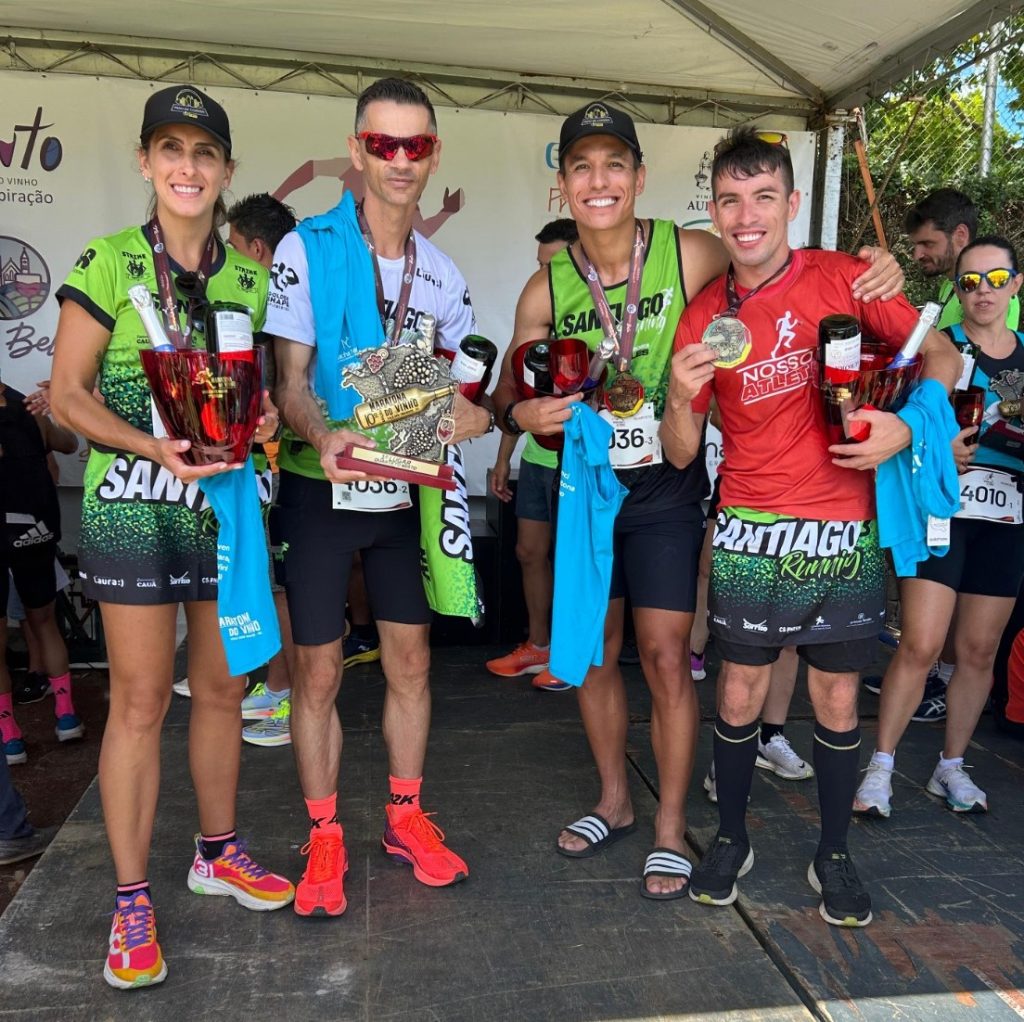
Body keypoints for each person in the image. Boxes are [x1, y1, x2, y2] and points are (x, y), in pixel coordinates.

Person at [491, 106, 902, 901]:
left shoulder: (694, 249)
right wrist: (517, 414)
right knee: (597, 653)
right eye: (583, 168)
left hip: (668, 484)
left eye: (615, 166)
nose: (600, 181)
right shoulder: (547, 284)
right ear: (563, 184)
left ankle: (673, 825)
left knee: (663, 654)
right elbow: (515, 378)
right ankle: (614, 799)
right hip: (587, 485)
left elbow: (772, 264)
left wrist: (874, 269)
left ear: (640, 179)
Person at [664, 127, 960, 926]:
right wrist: (677, 394)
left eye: (764, 197)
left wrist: (912, 425)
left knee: (834, 698)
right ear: (715, 213)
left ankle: (834, 851)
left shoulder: (847, 277)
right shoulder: (702, 317)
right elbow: (679, 449)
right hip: (750, 524)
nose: (747, 215)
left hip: (841, 526)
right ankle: (729, 836)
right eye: (731, 200)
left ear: (792, 204)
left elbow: (941, 356)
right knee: (736, 688)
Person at [50, 85, 294, 990]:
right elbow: (69, 396)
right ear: (147, 164)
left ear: (226, 171)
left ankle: (216, 853)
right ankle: (130, 900)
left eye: (204, 152)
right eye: (171, 150)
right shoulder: (109, 261)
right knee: (144, 702)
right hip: (133, 508)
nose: (187, 167)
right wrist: (149, 442)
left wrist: (263, 414)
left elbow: (255, 394)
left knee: (225, 691)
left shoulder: (248, 275)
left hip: (224, 509)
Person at [270, 77, 492, 917]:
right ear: (359, 150)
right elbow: (289, 382)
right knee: (318, 672)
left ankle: (404, 817)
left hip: (407, 502)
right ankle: (324, 832)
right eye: (384, 144)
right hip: (317, 486)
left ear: (433, 156)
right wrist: (323, 432)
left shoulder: (443, 273)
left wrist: (470, 418)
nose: (400, 161)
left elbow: (467, 394)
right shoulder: (307, 246)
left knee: (410, 661)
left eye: (417, 146)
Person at [854, 236, 1024, 818]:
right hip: (941, 515)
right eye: (971, 281)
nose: (984, 291)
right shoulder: (938, 349)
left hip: (1006, 517)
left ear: (1016, 286)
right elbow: (895, 420)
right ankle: (880, 767)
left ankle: (951, 765)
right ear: (956, 289)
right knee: (921, 645)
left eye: (997, 279)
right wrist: (935, 441)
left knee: (978, 651)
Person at [487, 219, 578, 687]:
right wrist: (504, 459)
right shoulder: (534, 318)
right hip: (538, 462)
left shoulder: (593, 323)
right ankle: (537, 647)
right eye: (539, 265)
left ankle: (569, 655)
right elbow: (513, 394)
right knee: (528, 552)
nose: (541, 276)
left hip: (580, 464)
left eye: (553, 266)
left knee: (574, 557)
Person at [224, 192, 299, 748]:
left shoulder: (279, 301)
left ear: (255, 248)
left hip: (281, 462)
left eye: (233, 248)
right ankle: (270, 682)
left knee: (280, 586)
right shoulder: (255, 302)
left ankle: (284, 692)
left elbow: (279, 394)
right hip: (258, 463)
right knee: (262, 579)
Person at [0, 373, 81, 763]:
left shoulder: (24, 405)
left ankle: (65, 714)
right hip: (33, 525)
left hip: (33, 528)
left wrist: (45, 420)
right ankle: (10, 731)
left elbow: (68, 444)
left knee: (43, 619)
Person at [906, 188, 1020, 331]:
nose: (917, 255)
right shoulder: (949, 285)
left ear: (960, 235)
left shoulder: (995, 293)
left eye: (928, 244)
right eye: (915, 245)